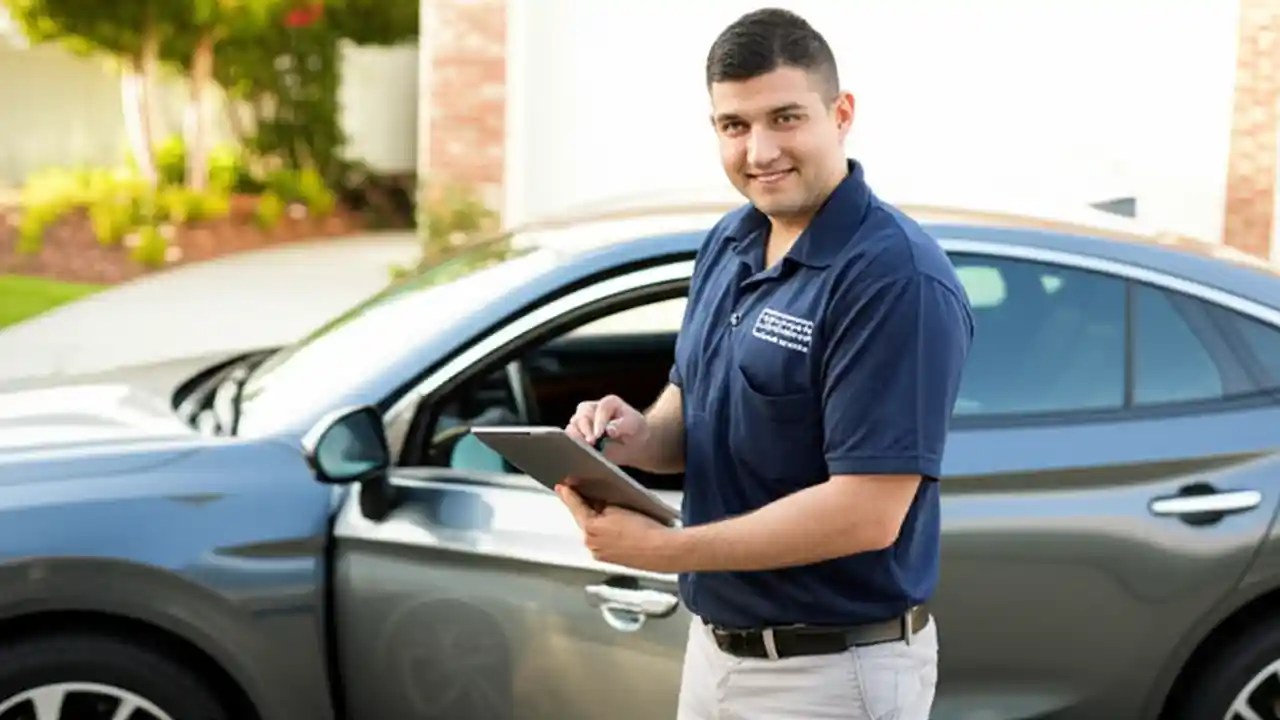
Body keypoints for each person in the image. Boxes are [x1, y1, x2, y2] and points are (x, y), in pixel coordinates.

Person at [557, 7, 974, 719]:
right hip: (716, 653)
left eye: (785, 118)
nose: (759, 151)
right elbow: (690, 414)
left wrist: (669, 550)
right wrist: (633, 435)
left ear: (840, 113)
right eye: (734, 126)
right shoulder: (730, 241)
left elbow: (866, 513)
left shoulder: (894, 278)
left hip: (832, 674)